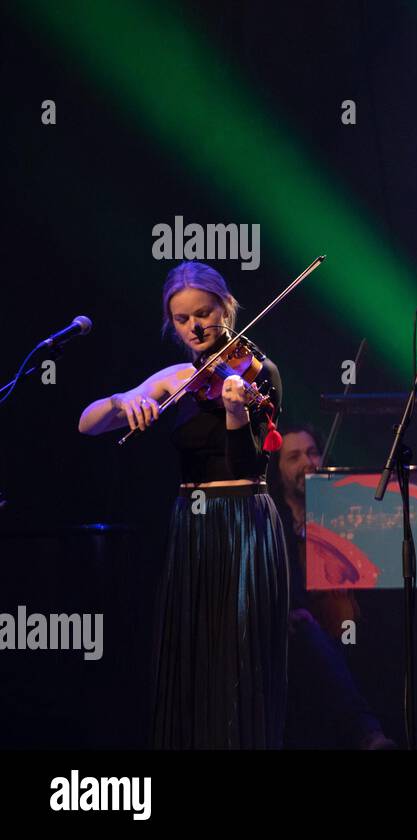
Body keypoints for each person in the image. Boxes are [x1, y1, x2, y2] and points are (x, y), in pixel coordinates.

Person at [78, 260, 289, 748]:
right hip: (192, 527)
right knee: (194, 659)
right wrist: (122, 400)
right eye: (182, 319)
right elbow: (87, 425)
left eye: (204, 313)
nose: (195, 326)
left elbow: (247, 464)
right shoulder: (176, 377)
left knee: (239, 659)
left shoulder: (258, 372)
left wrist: (237, 412)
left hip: (244, 521)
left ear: (226, 308)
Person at [268, 424, 394, 749]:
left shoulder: (343, 511)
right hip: (295, 639)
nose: (308, 462)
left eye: (313, 452)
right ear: (279, 470)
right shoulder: (271, 521)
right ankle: (366, 732)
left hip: (349, 629)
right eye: (294, 457)